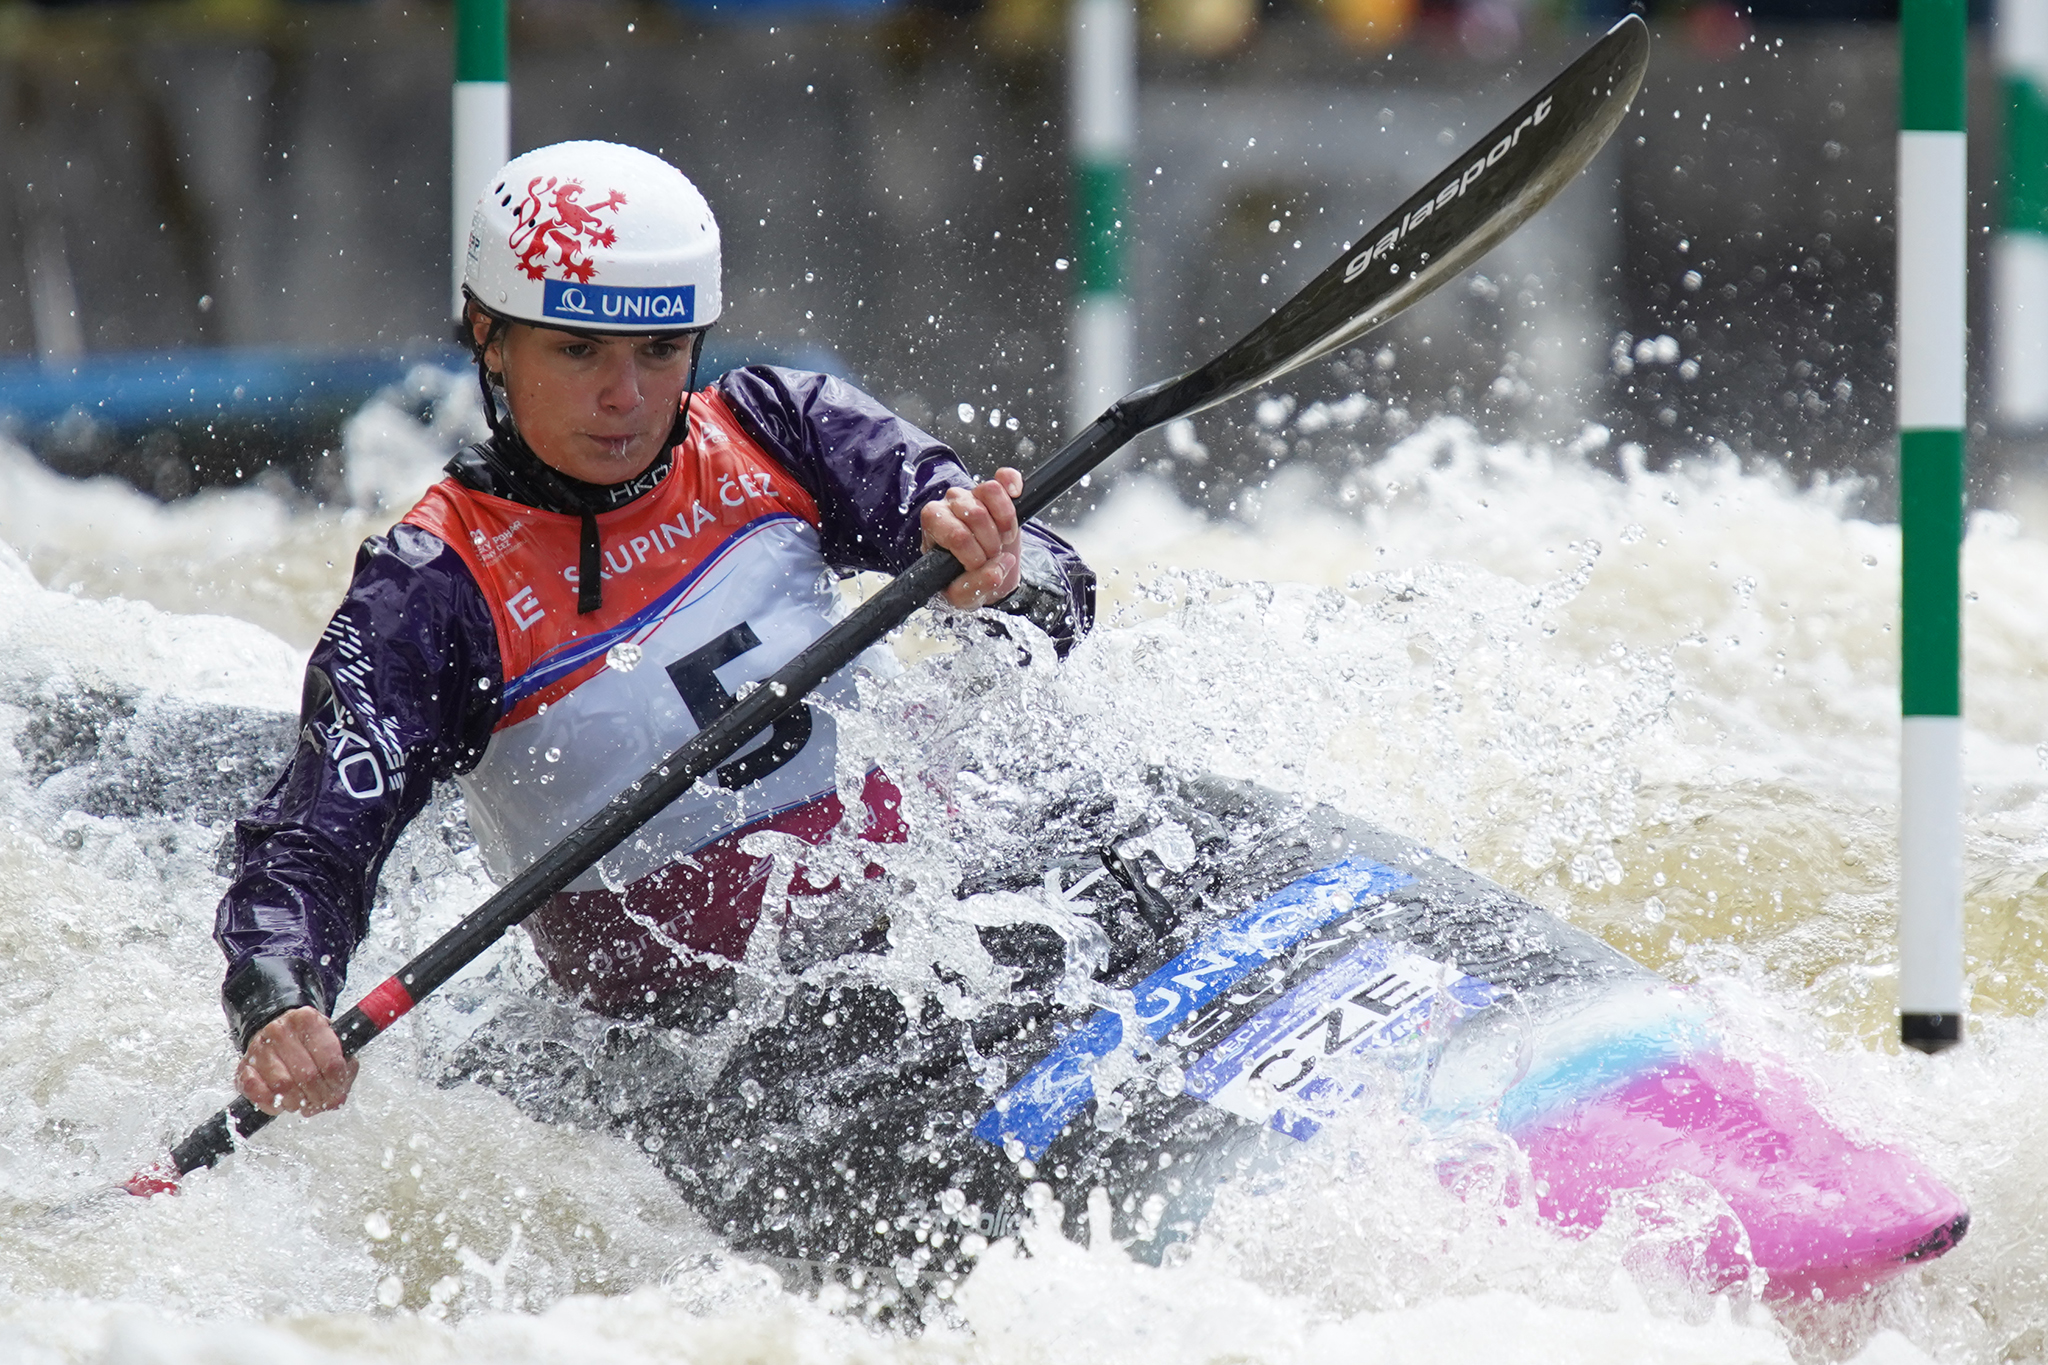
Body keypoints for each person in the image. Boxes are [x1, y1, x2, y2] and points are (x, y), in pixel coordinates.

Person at [217, 141, 1095, 1119]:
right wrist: (281, 1003)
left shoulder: (780, 429)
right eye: (579, 351)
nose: (625, 398)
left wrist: (998, 573)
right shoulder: (433, 594)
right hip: (696, 1037)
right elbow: (309, 845)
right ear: (490, 337)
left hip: (937, 910)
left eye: (659, 351)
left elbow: (1062, 593)